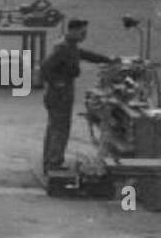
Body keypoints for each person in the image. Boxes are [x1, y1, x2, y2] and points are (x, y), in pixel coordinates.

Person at [39, 20, 116, 174]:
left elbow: (85, 54)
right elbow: (45, 67)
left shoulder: (70, 46)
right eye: (82, 33)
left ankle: (50, 160)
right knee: (60, 129)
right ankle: (54, 163)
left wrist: (107, 59)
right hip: (59, 94)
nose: (84, 36)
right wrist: (57, 83)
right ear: (73, 31)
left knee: (55, 127)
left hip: (62, 92)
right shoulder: (62, 48)